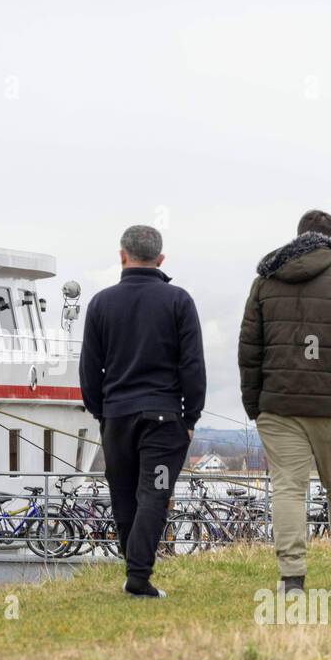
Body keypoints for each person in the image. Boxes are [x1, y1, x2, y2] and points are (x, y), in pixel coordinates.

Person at [238, 210, 331, 593]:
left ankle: (292, 577)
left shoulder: (266, 281)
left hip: (280, 405)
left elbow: (249, 349)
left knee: (288, 487)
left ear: (297, 237)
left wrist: (253, 403)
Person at [80, 225, 206, 599]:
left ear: (122, 256)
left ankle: (133, 570)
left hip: (117, 417)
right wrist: (191, 417)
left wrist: (102, 414)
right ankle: (138, 574)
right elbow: (193, 366)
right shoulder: (178, 301)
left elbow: (90, 369)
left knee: (123, 495)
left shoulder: (101, 304)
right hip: (165, 419)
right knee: (156, 492)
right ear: (160, 259)